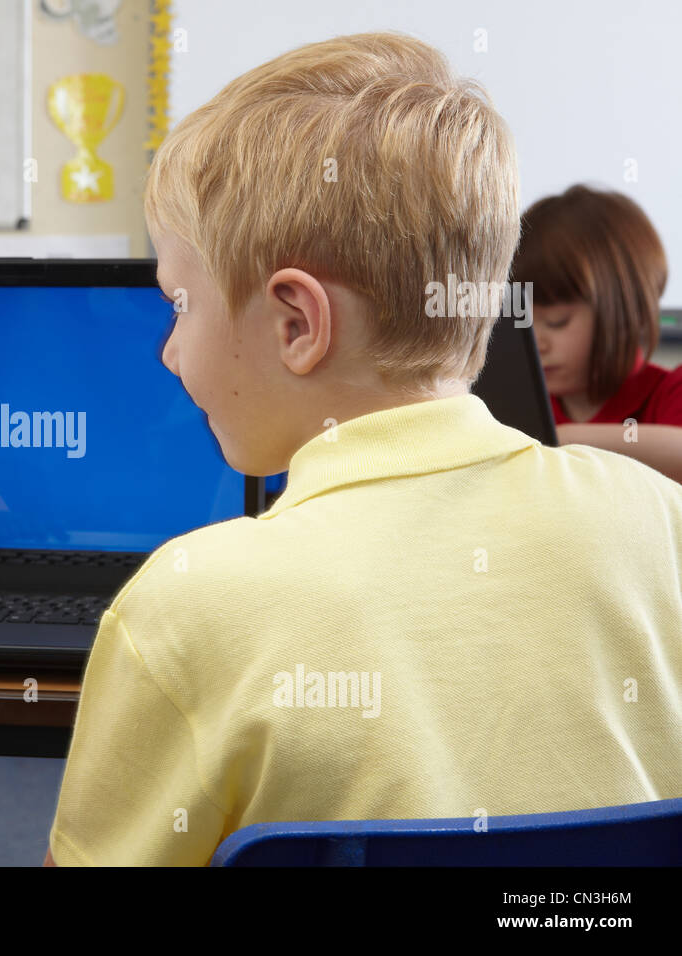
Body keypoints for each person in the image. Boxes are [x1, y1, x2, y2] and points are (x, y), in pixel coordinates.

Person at [45, 33, 682, 866]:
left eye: (179, 306)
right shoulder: (661, 521)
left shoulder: (181, 606)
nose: (169, 350)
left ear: (297, 324)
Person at [512, 184, 682, 483]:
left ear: (630, 312)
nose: (537, 342)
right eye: (524, 322)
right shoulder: (523, 407)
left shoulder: (668, 393)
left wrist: (563, 438)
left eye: (557, 321)